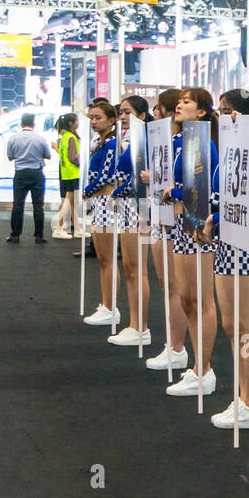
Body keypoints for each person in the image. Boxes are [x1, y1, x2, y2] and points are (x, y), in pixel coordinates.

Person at [204, 88, 249, 433]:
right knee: (232, 325)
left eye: (229, 111)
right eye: (221, 110)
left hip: (245, 245)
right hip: (226, 243)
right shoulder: (228, 158)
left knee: (246, 325)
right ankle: (243, 395)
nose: (223, 117)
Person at [164, 87, 220, 398]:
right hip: (182, 225)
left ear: (201, 111)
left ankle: (204, 368)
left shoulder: (204, 144)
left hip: (199, 225)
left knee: (201, 300)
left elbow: (203, 187)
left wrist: (175, 192)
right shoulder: (183, 143)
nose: (179, 105)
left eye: (186, 102)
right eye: (180, 101)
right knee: (186, 299)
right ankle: (197, 365)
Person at [142, 89, 190, 373]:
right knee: (167, 284)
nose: (156, 114)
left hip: (177, 218)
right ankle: (173, 344)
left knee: (176, 287)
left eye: (160, 108)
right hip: (160, 213)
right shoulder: (165, 139)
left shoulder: (185, 142)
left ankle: (177, 346)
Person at [107, 95, 152, 346]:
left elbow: (138, 177)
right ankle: (134, 323)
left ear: (142, 116)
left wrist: (116, 192)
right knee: (130, 269)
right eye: (121, 112)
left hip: (139, 207)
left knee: (137, 269)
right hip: (127, 207)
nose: (122, 117)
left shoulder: (144, 141)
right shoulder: (127, 139)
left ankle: (140, 327)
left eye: (128, 112)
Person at [82, 101, 121, 325]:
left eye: (98, 118)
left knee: (107, 259)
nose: (93, 122)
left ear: (111, 120)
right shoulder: (100, 142)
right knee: (103, 258)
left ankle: (110, 307)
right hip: (99, 203)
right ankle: (107, 304)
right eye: (91, 118)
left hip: (106, 204)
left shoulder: (112, 145)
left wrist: (87, 191)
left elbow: (106, 176)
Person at [5, 111, 52, 244]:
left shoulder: (13, 138)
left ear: (21, 124)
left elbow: (10, 157)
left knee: (18, 205)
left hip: (20, 173)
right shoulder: (40, 138)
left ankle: (15, 235)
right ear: (34, 124)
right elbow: (48, 155)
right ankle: (39, 235)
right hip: (36, 173)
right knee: (38, 205)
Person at [52, 112, 80, 238]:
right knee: (69, 201)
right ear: (71, 124)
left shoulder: (65, 137)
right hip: (73, 173)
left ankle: (77, 228)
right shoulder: (71, 137)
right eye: (77, 121)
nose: (78, 123)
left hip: (67, 173)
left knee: (72, 201)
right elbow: (74, 157)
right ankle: (58, 228)